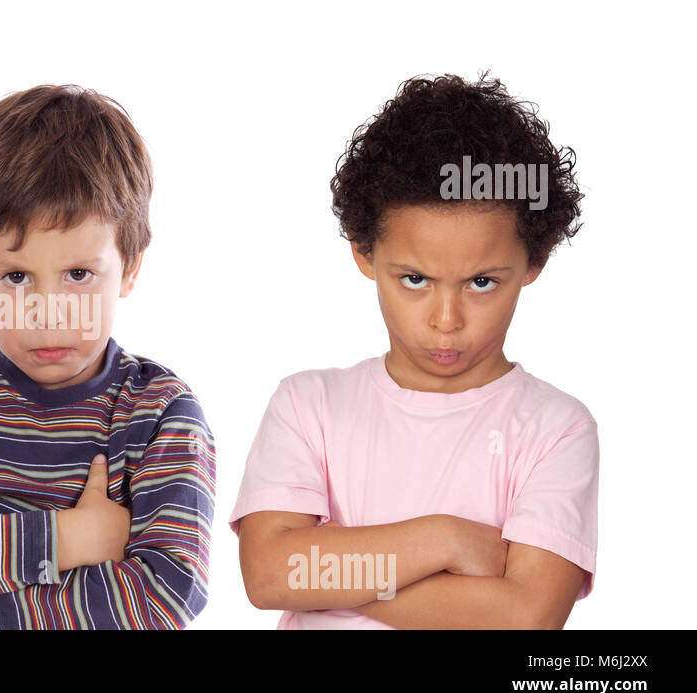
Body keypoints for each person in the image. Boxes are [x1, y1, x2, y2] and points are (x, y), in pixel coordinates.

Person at [232, 73, 597, 629]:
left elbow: (525, 618)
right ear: (364, 251)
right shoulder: (309, 405)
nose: (445, 321)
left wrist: (330, 574)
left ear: (534, 260)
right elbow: (267, 574)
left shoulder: (556, 429)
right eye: (414, 279)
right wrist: (445, 540)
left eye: (480, 282)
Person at [0, 85, 216, 629]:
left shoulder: (160, 413)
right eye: (16, 276)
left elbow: (168, 594)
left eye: (78, 274)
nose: (47, 313)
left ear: (128, 268)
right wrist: (69, 539)